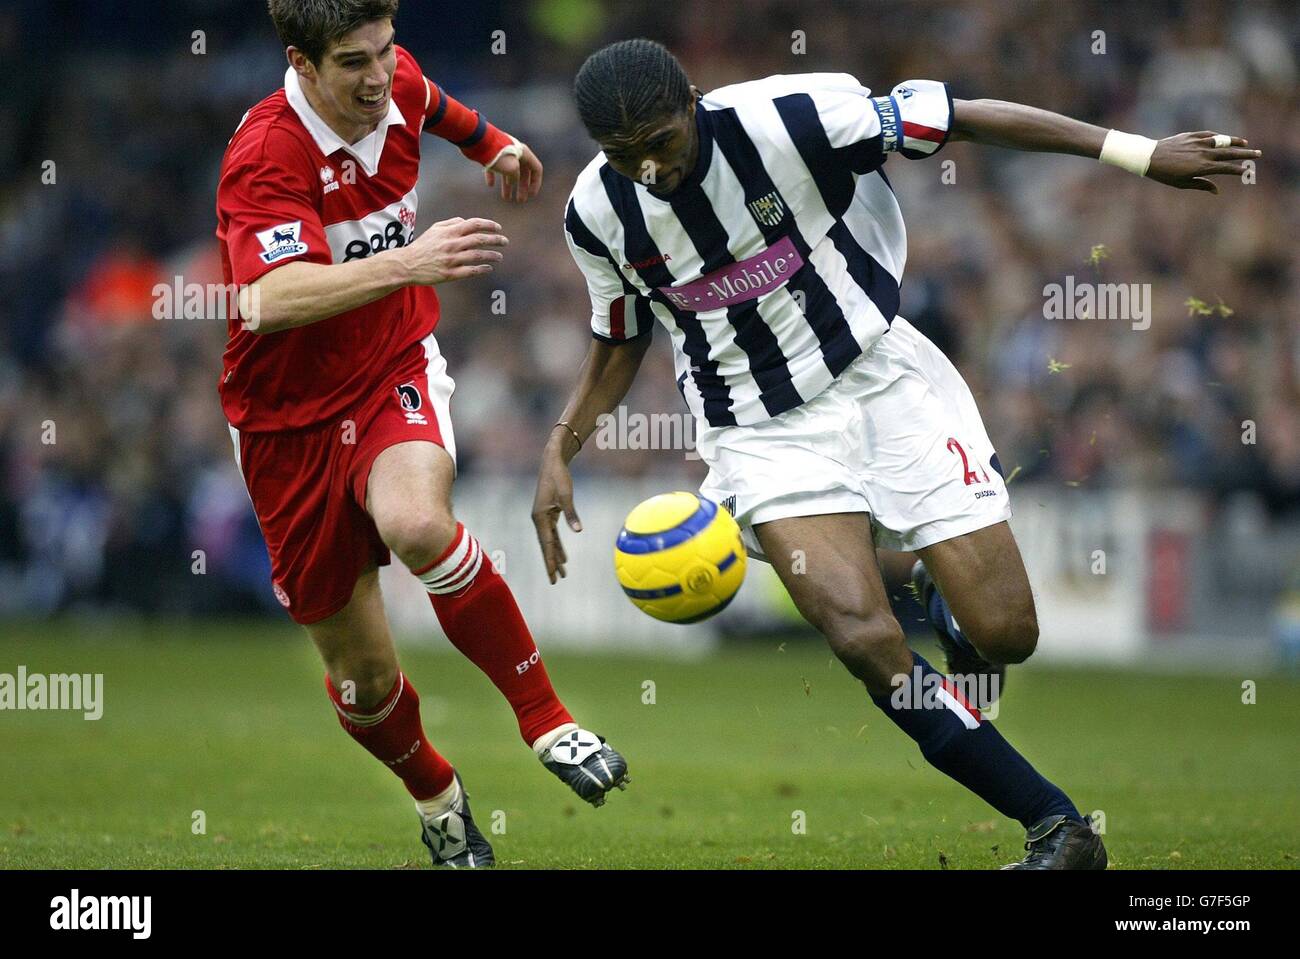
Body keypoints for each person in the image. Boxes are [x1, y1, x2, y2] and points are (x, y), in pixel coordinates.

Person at [533, 38, 1258, 869]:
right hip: (760, 430)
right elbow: (618, 336)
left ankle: (929, 586)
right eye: (626, 157)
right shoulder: (595, 214)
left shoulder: (793, 118)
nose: (650, 171)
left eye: (661, 144)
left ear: (692, 102)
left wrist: (1134, 151)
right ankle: (1057, 827)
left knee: (1006, 632)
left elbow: (964, 117)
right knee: (858, 632)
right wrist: (562, 445)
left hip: (881, 378)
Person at [216, 0, 627, 869]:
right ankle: (439, 797)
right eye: (352, 64)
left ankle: (548, 721)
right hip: (285, 422)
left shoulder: (392, 79)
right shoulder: (265, 155)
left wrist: (495, 145)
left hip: (390, 364)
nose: (377, 78)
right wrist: (410, 260)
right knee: (364, 684)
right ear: (302, 62)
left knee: (414, 522)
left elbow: (438, 104)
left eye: (384, 50)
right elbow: (264, 299)